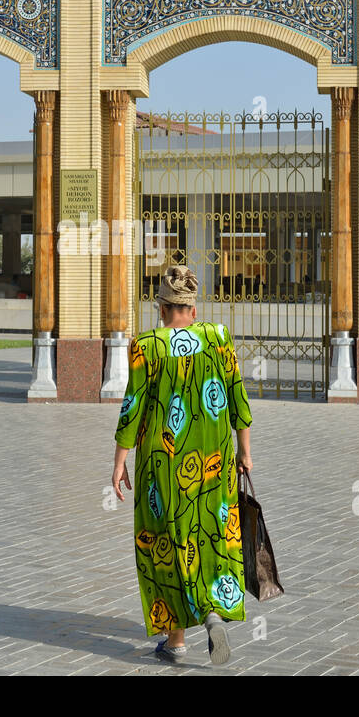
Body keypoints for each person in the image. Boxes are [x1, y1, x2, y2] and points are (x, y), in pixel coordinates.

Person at [111, 264, 253, 666]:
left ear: (161, 308)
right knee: (210, 534)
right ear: (193, 308)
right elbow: (239, 400)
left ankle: (176, 639)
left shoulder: (147, 345)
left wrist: (119, 462)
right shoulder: (218, 338)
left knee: (168, 541)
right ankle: (211, 614)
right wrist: (245, 453)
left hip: (163, 464)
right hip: (215, 459)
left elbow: (132, 408)